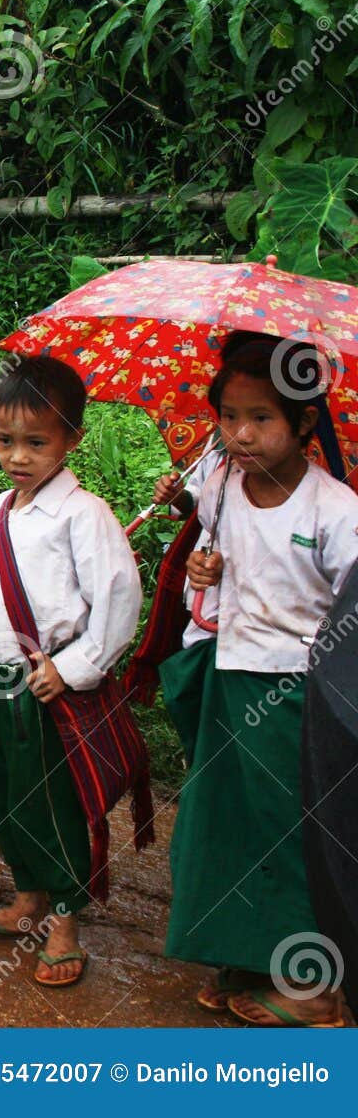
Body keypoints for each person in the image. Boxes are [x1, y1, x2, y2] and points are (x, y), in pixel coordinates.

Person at [161, 334, 358, 1027]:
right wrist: (203, 572)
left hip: (299, 697)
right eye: (229, 415)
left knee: (294, 831)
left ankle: (316, 987)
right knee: (229, 826)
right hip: (229, 676)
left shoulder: (337, 512)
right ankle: (247, 955)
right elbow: (214, 553)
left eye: (262, 418)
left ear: (306, 423)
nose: (241, 434)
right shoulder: (220, 487)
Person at [0, 355, 141, 988]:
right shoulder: (0, 509)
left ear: (71, 440)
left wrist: (75, 666)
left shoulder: (85, 516)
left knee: (52, 803)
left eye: (36, 442)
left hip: (41, 684)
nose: (18, 456)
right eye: (6, 441)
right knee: (2, 794)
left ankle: (63, 921)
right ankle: (26, 896)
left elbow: (118, 596)